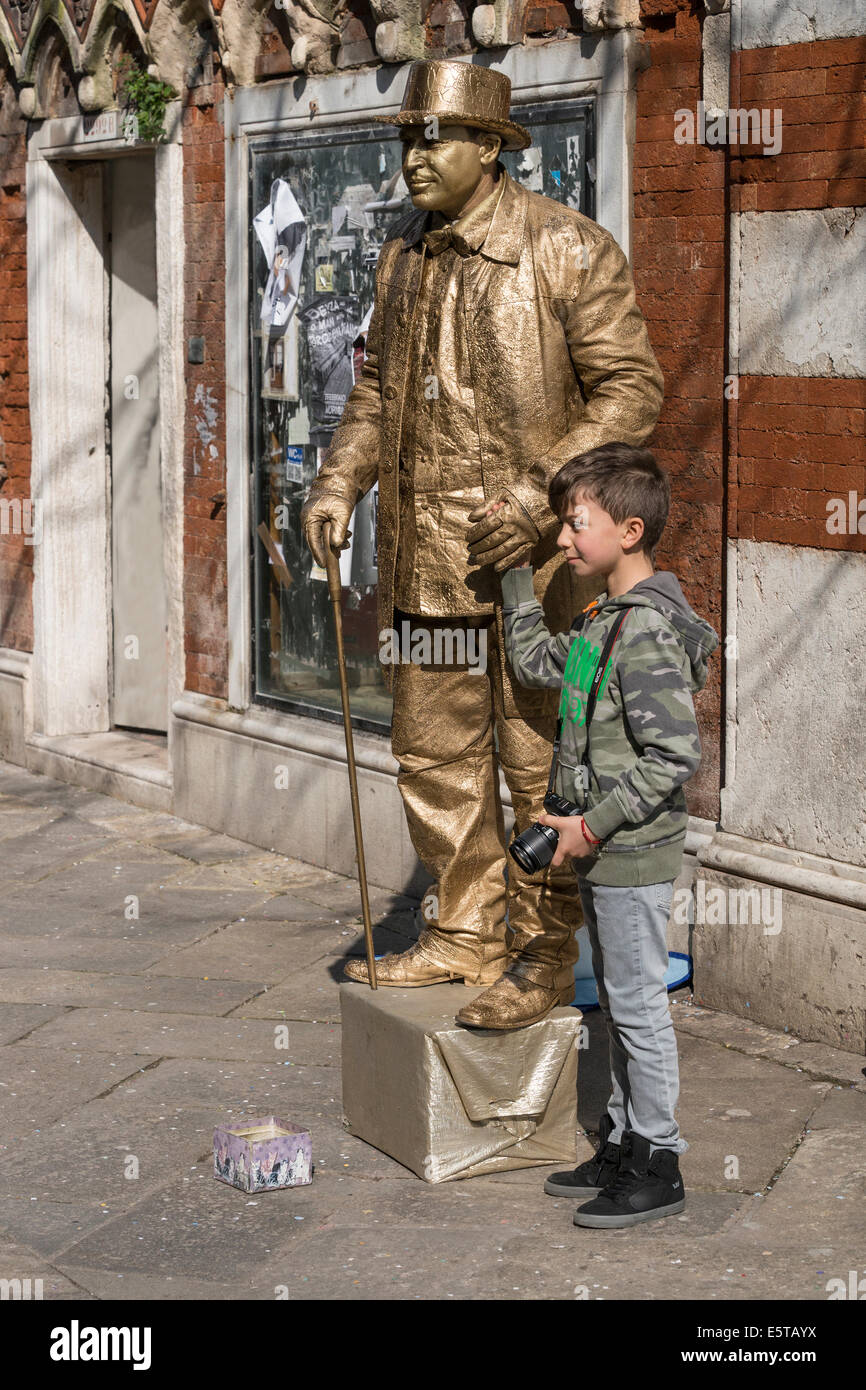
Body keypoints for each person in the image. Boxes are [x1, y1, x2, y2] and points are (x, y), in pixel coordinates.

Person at [301, 59, 664, 1030]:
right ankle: (461, 927)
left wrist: (548, 494)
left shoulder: (567, 250)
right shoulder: (399, 261)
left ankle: (543, 951)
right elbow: (375, 396)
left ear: (490, 149)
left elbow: (630, 392)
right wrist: (339, 483)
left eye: (436, 138)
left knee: (542, 759)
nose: (415, 157)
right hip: (426, 566)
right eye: (407, 136)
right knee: (431, 756)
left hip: (542, 576)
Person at [499, 441, 719, 1226]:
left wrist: (589, 825)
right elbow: (531, 661)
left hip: (627, 849)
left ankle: (660, 1161)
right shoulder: (602, 625)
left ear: (628, 531)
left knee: (637, 1007)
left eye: (574, 524)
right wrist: (515, 565)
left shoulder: (649, 632)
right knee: (624, 1004)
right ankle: (623, 1140)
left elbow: (674, 756)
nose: (564, 538)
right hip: (602, 849)